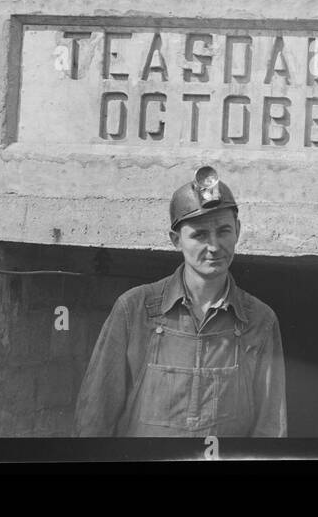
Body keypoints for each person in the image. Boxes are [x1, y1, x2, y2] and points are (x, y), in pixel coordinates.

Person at [73, 166, 287, 437]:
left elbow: (270, 428)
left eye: (223, 231)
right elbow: (95, 418)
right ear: (176, 240)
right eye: (199, 235)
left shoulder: (260, 320)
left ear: (238, 231)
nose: (213, 246)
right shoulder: (134, 310)